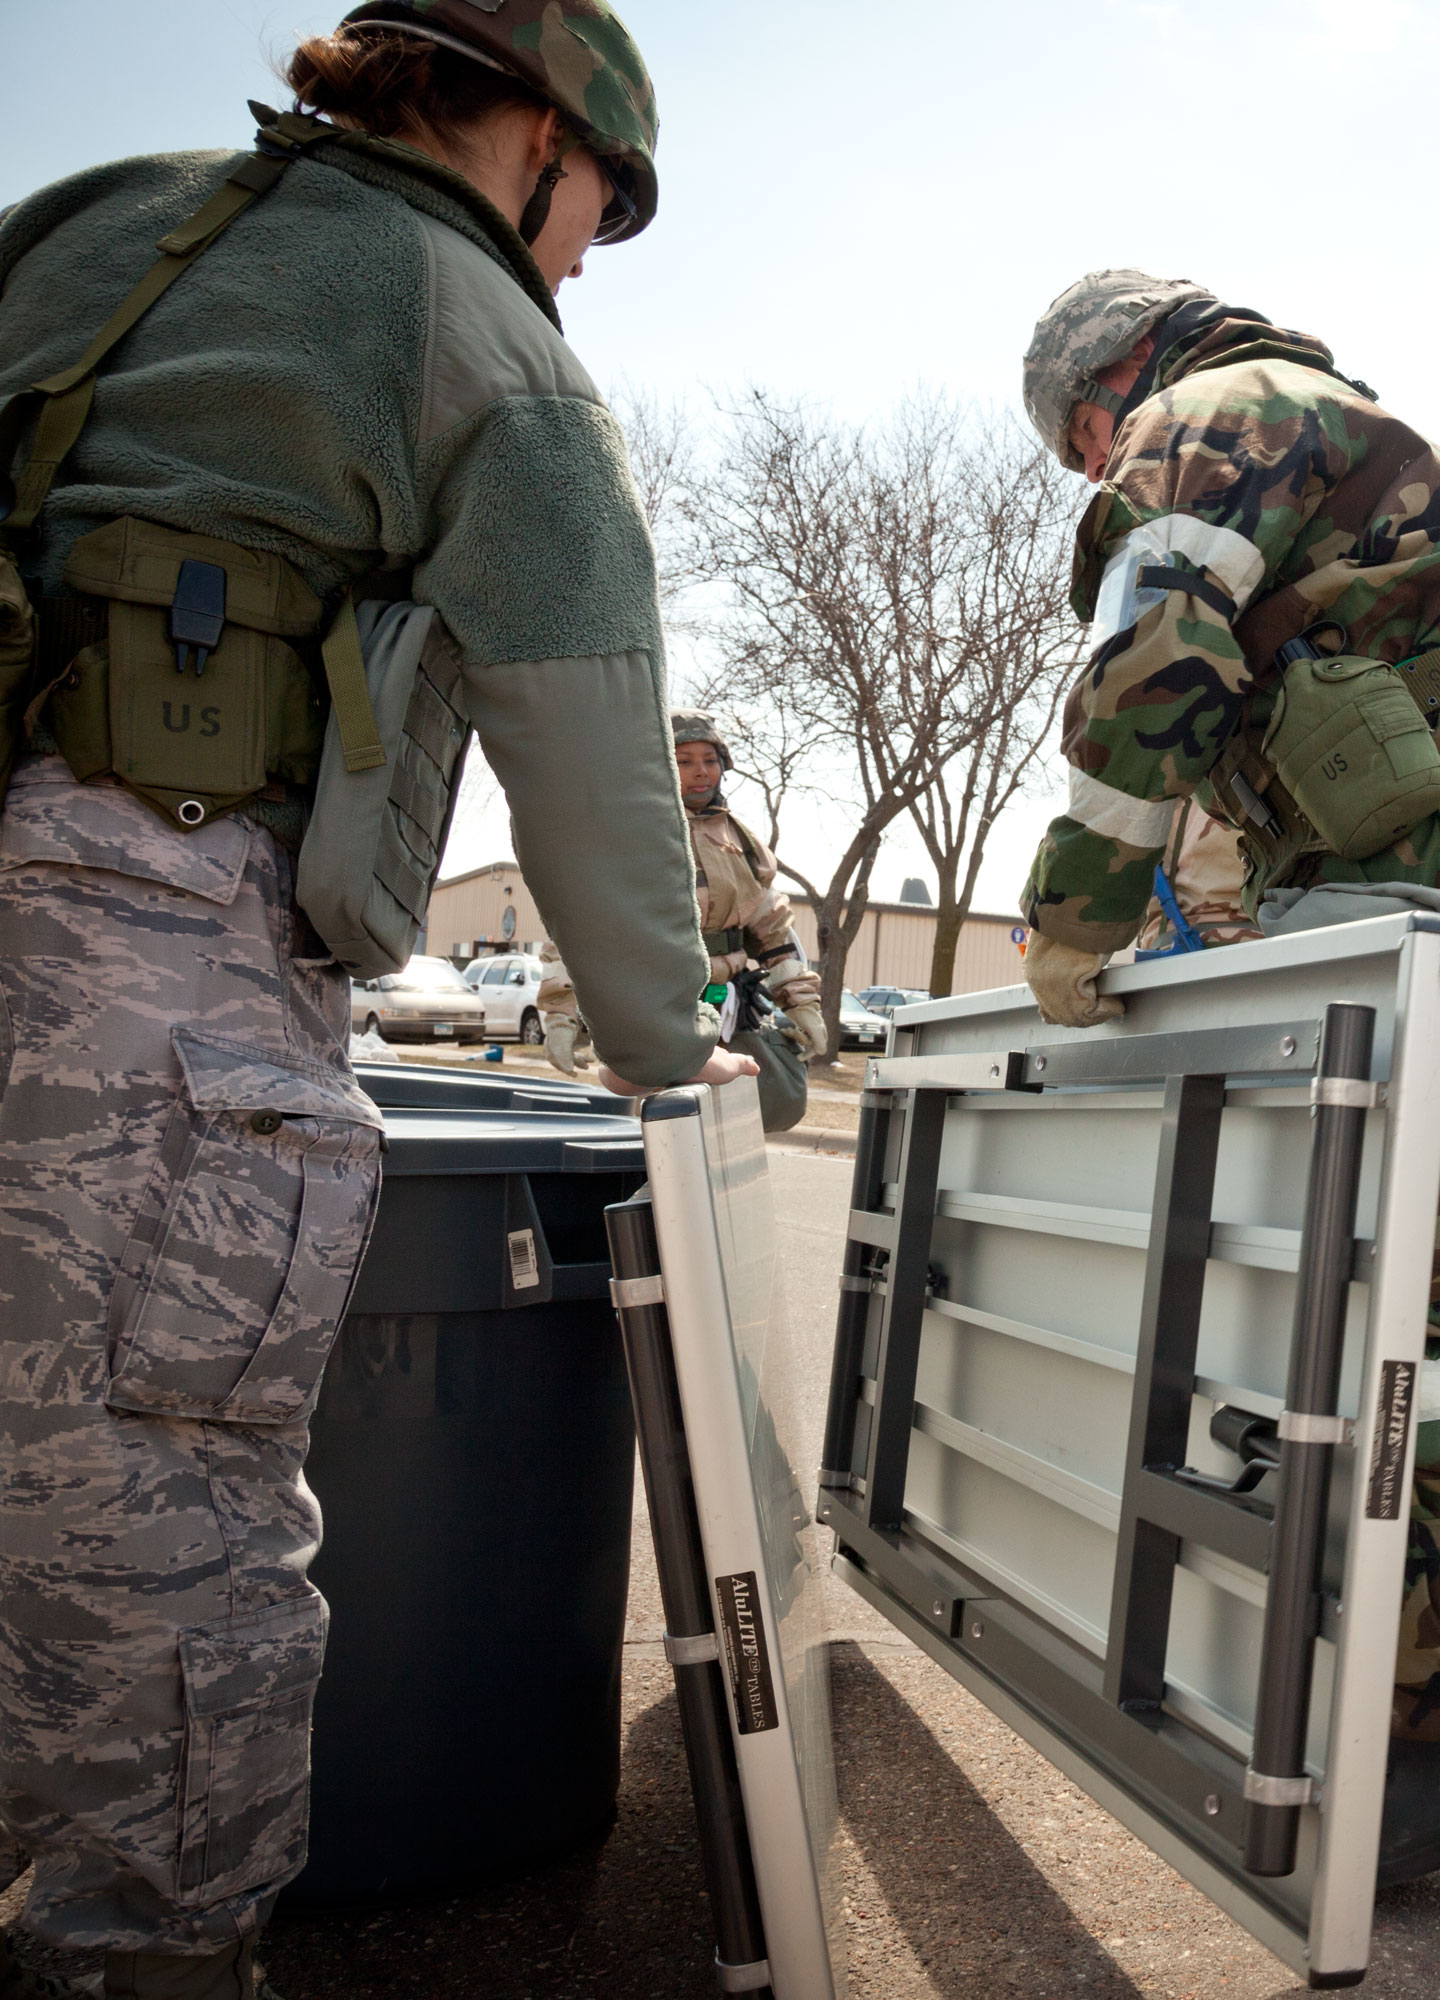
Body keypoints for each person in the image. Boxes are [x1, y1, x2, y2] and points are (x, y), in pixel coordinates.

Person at [0, 8, 743, 1995]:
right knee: (159, 1503)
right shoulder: (480, 330)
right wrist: (681, 1052)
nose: (586, 254)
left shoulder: (92, 217)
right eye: (605, 208)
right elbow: (585, 750)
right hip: (148, 941)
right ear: (533, 135)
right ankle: (135, 1963)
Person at [1018, 269, 1440, 1885]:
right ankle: (1438, 1700)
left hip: (1429, 901)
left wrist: (1074, 912)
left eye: (1083, 445)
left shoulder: (1198, 422)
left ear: (1103, 392)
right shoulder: (1390, 443)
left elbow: (1153, 662)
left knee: (1391, 1312)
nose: (1098, 470)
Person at [539, 708, 829, 1113]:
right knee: (657, 1118)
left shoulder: (741, 841)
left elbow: (775, 932)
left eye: (710, 761)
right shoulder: (627, 835)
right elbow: (578, 927)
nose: (701, 772)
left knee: (735, 1120)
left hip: (726, 1004)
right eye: (684, 760)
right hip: (655, 1004)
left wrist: (802, 1006)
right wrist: (560, 1015)